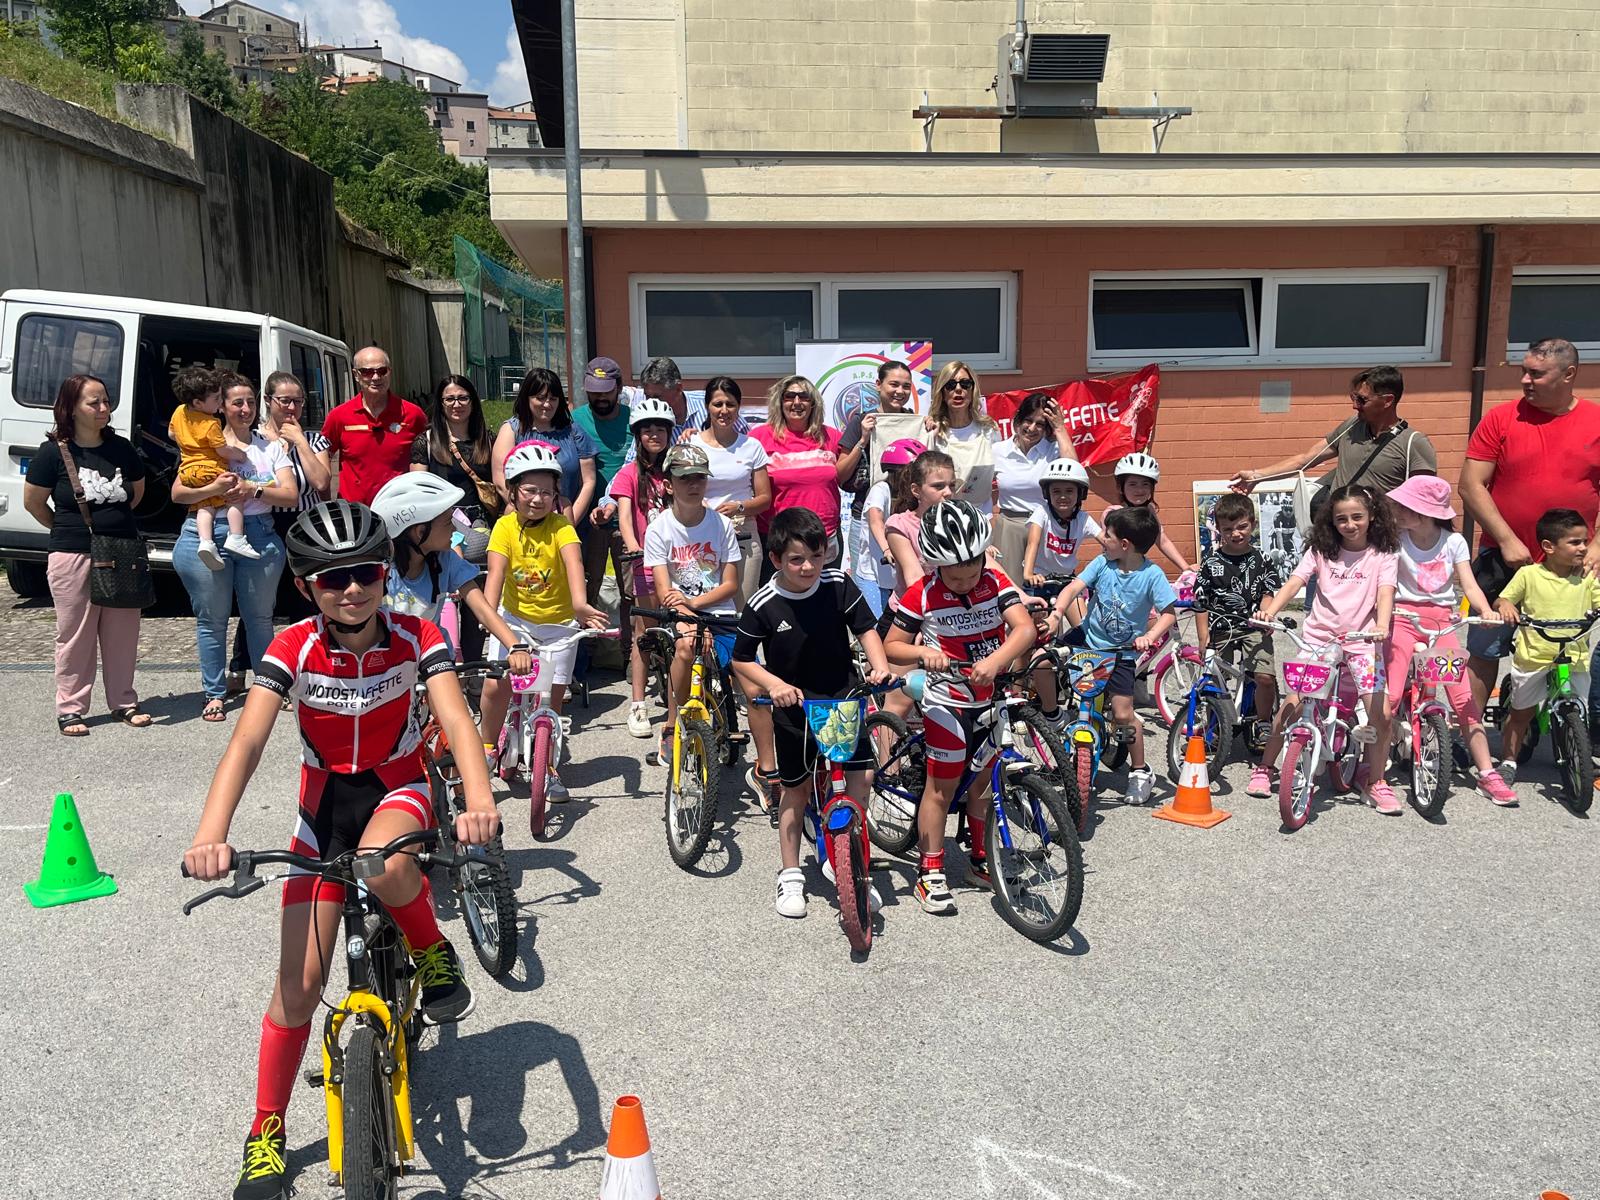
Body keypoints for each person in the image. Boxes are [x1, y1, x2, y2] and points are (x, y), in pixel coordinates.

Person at [182, 500, 494, 1200]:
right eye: (332, 579)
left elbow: (454, 718)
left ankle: (430, 947)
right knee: (296, 988)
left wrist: (479, 800)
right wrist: (211, 833)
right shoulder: (291, 647)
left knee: (385, 863)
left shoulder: (417, 636)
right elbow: (249, 740)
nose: (351, 589)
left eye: (365, 573)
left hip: (397, 788)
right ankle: (264, 1131)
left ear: (385, 573)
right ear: (305, 585)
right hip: (323, 807)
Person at [733, 507, 894, 919]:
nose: (809, 567)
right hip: (795, 708)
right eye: (797, 559)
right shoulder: (764, 603)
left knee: (860, 780)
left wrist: (879, 665)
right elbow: (743, 660)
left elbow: (866, 628)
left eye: (817, 556)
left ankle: (857, 865)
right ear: (776, 560)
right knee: (795, 791)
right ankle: (790, 875)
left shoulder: (838, 583)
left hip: (841, 700)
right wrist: (775, 685)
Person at [884, 501, 1036, 915]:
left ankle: (980, 860)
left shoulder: (994, 580)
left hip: (988, 693)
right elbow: (891, 647)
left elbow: (1025, 628)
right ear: (935, 564)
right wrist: (923, 652)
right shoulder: (924, 593)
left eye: (973, 571)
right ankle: (930, 868)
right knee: (942, 786)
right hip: (947, 700)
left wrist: (996, 660)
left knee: (985, 783)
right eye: (957, 575)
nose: (968, 582)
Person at [1458, 338, 1600, 732]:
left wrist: (1598, 545)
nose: (1525, 380)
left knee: (1567, 650)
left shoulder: (1595, 420)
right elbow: (1471, 485)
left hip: (1569, 567)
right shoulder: (1501, 419)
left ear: (1568, 374)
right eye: (1524, 371)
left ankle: (1569, 733)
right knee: (1485, 649)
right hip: (1502, 559)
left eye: (1536, 373)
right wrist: (1505, 538)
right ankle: (1470, 737)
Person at [1256, 485, 1400, 813]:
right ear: (1331, 522)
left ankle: (1376, 781)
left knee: (1382, 715)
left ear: (1372, 516)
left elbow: (1385, 593)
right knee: (1292, 705)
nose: (1349, 524)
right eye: (1341, 519)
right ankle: (1266, 767)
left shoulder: (1383, 555)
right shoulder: (1321, 551)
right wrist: (1271, 611)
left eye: (1357, 517)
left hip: (1363, 642)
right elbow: (1294, 582)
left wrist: (1381, 625)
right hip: (1319, 641)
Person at [22, 374, 151, 735]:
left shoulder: (122, 448)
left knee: (123, 632)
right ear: (71, 408)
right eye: (93, 402)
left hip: (123, 550)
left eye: (106, 401)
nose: (103, 408)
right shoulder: (53, 453)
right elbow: (33, 502)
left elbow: (136, 493)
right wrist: (70, 530)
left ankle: (123, 701)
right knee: (75, 634)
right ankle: (71, 707)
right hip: (73, 552)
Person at [477, 444, 608, 799]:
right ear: (514, 490)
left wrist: (581, 605)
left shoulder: (561, 528)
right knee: (495, 685)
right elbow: (495, 576)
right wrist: (489, 614)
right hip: (515, 620)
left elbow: (574, 564)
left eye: (547, 492)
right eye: (530, 490)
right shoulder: (504, 528)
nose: (538, 499)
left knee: (553, 699)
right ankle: (488, 748)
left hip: (559, 623)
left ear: (556, 496)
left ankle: (549, 766)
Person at [171, 374, 298, 723]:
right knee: (211, 620)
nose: (245, 409)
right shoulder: (204, 442)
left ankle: (269, 687)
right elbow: (178, 493)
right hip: (206, 532)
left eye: (251, 402)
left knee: (260, 617)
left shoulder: (269, 446)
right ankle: (214, 693)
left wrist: (250, 489)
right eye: (237, 402)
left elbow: (290, 494)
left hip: (257, 534)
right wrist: (211, 488)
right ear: (221, 407)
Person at [1382, 476, 1513, 805]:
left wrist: (1485, 610)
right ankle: (1373, 773)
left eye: (1403, 506)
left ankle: (1487, 773)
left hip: (1441, 620)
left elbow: (1468, 584)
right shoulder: (1395, 539)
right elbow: (1382, 583)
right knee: (1391, 696)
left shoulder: (1453, 543)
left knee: (1463, 700)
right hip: (1402, 618)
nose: (1396, 510)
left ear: (1423, 513)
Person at [1047, 507, 1180, 807]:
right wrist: (1057, 613)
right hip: (1089, 644)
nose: (1102, 538)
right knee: (1047, 663)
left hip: (1121, 653)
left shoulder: (1152, 575)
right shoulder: (1102, 563)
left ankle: (1139, 771)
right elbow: (1074, 587)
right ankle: (1053, 721)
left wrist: (1149, 635)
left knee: (1123, 715)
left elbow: (1169, 614)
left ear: (1125, 544)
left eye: (1107, 534)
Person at [225, 370, 332, 692]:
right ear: (269, 401)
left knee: (306, 598)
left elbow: (322, 482)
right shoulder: (253, 438)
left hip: (306, 526)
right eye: (285, 401)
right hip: (266, 521)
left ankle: (306, 665)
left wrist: (299, 442)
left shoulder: (314, 439)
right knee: (259, 601)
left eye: (298, 402)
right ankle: (240, 665)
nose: (292, 408)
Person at [369, 472, 532, 676]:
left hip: (432, 657)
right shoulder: (378, 571)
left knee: (451, 707)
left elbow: (481, 607)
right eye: (448, 522)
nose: (455, 529)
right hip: (387, 664)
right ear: (420, 531)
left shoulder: (445, 560)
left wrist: (514, 646)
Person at [1228, 365, 1439, 515]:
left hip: (1379, 542)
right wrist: (1257, 476)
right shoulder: (1351, 427)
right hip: (1337, 536)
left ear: (1387, 401)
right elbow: (1305, 460)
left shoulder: (1413, 443)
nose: (1355, 405)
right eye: (1353, 398)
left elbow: (1425, 500)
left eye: (1362, 400)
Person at [644, 444, 742, 766]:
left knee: (743, 665)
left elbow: (731, 584)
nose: (693, 484)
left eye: (699, 477)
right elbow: (663, 590)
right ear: (669, 484)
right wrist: (687, 612)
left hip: (717, 609)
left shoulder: (722, 525)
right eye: (685, 477)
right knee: (686, 647)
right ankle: (672, 724)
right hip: (678, 612)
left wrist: (694, 603)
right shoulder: (659, 528)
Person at [1494, 508, 1600, 780]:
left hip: (1574, 658)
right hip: (1535, 657)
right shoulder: (1530, 575)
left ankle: (1576, 750)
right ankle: (1508, 761)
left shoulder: (1587, 577)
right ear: (1549, 547)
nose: (1583, 548)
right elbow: (1503, 599)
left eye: (1584, 541)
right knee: (1521, 714)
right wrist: (1506, 606)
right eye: (1574, 542)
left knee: (1578, 709)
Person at [1189, 493, 1283, 796]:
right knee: (1215, 681)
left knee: (1265, 675)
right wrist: (1203, 638)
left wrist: (1266, 614)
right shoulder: (1211, 561)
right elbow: (1201, 603)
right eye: (1228, 529)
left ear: (1252, 524)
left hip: (1254, 626)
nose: (1235, 534)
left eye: (1241, 526)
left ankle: (1264, 721)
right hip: (1221, 627)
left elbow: (1270, 591)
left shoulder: (1262, 558)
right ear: (1218, 529)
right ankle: (1216, 723)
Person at [408, 374, 498, 672]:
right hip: (441, 526)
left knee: (476, 602)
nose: (457, 404)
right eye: (450, 399)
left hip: (483, 527)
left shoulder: (489, 439)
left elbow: (500, 486)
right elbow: (417, 488)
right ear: (441, 403)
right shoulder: (427, 441)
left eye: (463, 398)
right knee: (443, 601)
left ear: (473, 402)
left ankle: (471, 668)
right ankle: (442, 667)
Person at [610, 397, 678, 738]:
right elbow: (625, 516)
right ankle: (638, 702)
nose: (654, 435)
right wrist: (635, 546)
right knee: (644, 634)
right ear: (638, 435)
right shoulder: (628, 474)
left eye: (660, 429)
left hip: (679, 560)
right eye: (647, 429)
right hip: (646, 563)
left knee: (680, 633)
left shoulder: (678, 467)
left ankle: (676, 699)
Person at [1021, 457, 1100, 728]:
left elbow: (1107, 542)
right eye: (1056, 491)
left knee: (1088, 633)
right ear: (1047, 494)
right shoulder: (1040, 513)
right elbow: (1032, 542)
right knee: (1034, 637)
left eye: (1069, 491)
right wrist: (1029, 571)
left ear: (1081, 494)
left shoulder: (1084, 519)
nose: (1063, 496)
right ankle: (1021, 686)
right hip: (1039, 582)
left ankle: (1076, 684)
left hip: (1069, 582)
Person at [751, 375, 849, 581]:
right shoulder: (759, 438)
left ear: (813, 403)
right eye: (789, 397)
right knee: (778, 606)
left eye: (803, 397)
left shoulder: (831, 437)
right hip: (779, 540)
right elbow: (726, 447)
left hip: (824, 540)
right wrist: (693, 434)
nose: (797, 402)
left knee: (824, 604)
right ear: (780, 401)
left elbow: (846, 474)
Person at [169, 365, 257, 568]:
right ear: (198, 402)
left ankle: (206, 542)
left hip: (188, 469)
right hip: (210, 467)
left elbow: (172, 434)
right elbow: (222, 451)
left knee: (204, 505)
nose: (219, 404)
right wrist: (239, 454)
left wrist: (188, 441)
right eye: (217, 399)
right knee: (234, 498)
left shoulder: (179, 411)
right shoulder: (211, 423)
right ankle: (236, 537)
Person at [694, 376, 771, 602]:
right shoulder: (692, 445)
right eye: (718, 404)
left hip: (743, 533)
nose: (724, 410)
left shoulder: (751, 446)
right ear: (707, 406)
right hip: (701, 532)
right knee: (705, 603)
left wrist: (739, 507)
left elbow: (765, 498)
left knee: (743, 606)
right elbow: (679, 492)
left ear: (738, 407)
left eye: (730, 404)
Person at [492, 368, 599, 527]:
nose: (547, 404)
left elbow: (588, 481)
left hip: (568, 522)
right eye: (540, 398)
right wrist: (531, 514)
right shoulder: (511, 430)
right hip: (523, 523)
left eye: (553, 398)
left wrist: (568, 522)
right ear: (527, 398)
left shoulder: (574, 431)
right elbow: (501, 481)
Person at [321, 346, 428, 505]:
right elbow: (321, 457)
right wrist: (326, 503)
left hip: (401, 510)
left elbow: (431, 456)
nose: (376, 377)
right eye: (367, 372)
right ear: (356, 375)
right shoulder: (339, 416)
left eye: (382, 371)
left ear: (389, 372)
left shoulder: (413, 414)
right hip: (355, 512)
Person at [991, 392, 1079, 577]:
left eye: (1040, 424)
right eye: (1028, 420)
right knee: (1010, 587)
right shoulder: (998, 450)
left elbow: (1073, 470)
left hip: (1047, 526)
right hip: (1010, 528)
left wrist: (1060, 428)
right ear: (1018, 420)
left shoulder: (1053, 450)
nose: (1032, 428)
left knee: (1048, 587)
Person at [836, 358, 917, 519]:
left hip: (906, 515)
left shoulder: (915, 423)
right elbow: (840, 475)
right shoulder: (860, 422)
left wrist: (929, 430)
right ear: (878, 385)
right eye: (894, 384)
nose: (900, 391)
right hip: (865, 515)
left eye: (906, 386)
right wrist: (863, 440)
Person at [925, 360, 999, 518]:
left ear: (973, 390)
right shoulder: (933, 432)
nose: (958, 389)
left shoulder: (989, 430)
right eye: (951, 385)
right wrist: (929, 436)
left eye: (965, 384)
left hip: (981, 517)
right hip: (942, 516)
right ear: (942, 393)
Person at [862, 437, 926, 615]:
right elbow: (875, 520)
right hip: (874, 574)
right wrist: (887, 550)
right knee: (873, 626)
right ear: (897, 471)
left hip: (898, 578)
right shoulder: (881, 489)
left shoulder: (914, 497)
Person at [1102, 452, 1190, 574]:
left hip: (1139, 569)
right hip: (1114, 572)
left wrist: (1185, 568)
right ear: (1120, 487)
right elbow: (1111, 548)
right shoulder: (1113, 513)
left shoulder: (1149, 510)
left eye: (1145, 484)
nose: (1139, 490)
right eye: (1132, 484)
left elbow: (1161, 540)